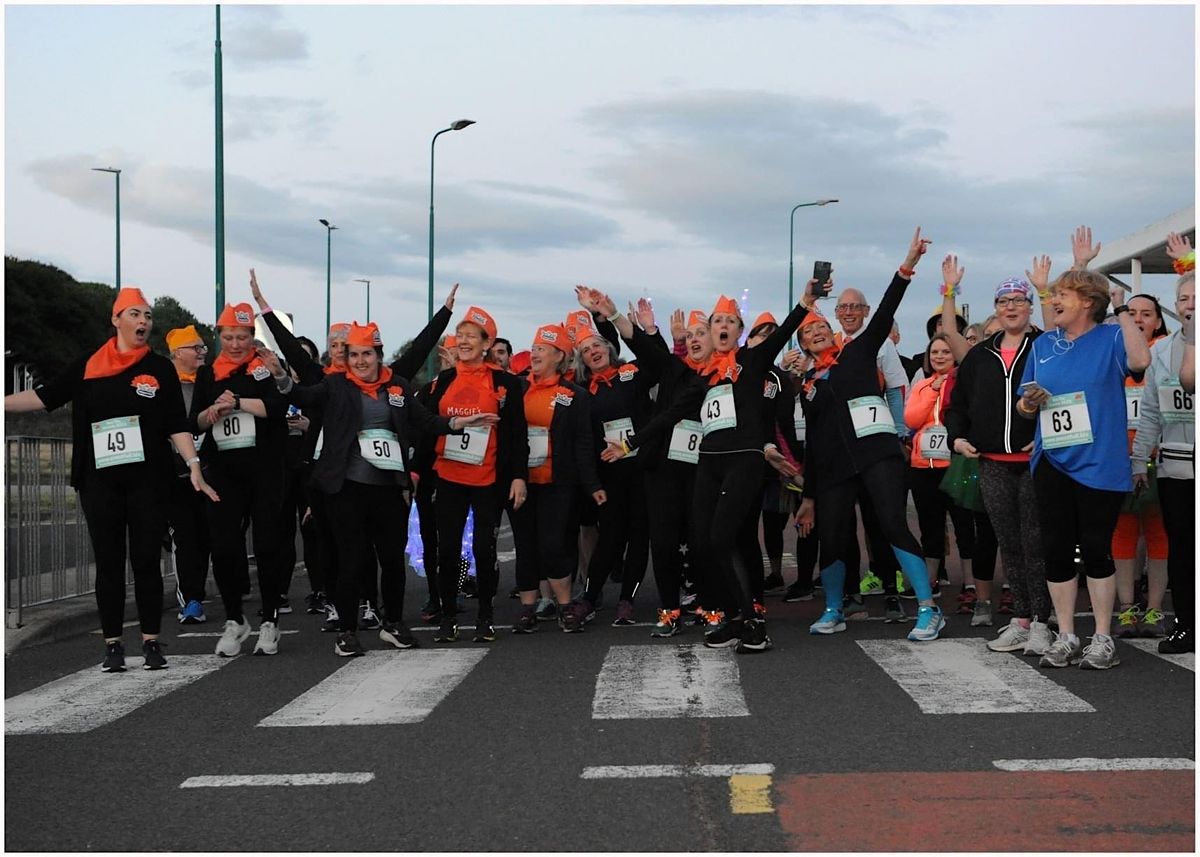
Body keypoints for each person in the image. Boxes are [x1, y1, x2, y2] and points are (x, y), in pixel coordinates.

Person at [5, 288, 217, 671]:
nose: (143, 321)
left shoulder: (159, 368)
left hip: (149, 480)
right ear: (116, 319)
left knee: (146, 559)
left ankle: (151, 641)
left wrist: (194, 465)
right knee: (108, 562)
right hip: (99, 480)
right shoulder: (88, 364)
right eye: (135, 314)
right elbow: (45, 396)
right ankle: (113, 645)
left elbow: (175, 424)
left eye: (148, 315)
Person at [273, 321, 491, 655]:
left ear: (379, 355)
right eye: (354, 355)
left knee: (391, 560)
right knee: (351, 559)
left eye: (367, 354)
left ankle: (393, 623)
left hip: (388, 488)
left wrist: (456, 423)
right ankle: (347, 631)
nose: (360, 361)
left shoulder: (397, 387)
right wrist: (281, 377)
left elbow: (424, 421)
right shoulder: (335, 384)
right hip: (346, 488)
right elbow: (304, 396)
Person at [797, 228, 946, 642]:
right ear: (804, 345)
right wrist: (809, 494)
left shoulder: (860, 350)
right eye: (808, 333)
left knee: (893, 524)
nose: (817, 333)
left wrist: (908, 265)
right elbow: (814, 440)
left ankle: (928, 608)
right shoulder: (807, 384)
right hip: (834, 467)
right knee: (832, 535)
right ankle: (833, 608)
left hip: (877, 455)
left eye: (821, 327)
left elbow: (885, 309)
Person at [1015, 227, 1151, 670]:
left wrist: (1121, 308)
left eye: (1063, 296)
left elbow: (1140, 361)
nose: (1053, 300)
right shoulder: (1043, 344)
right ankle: (1067, 634)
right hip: (1052, 459)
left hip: (1100, 462)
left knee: (1095, 547)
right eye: (1053, 295)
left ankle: (1103, 637)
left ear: (1088, 303)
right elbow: (1023, 404)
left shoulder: (1110, 337)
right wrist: (1028, 403)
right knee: (1056, 549)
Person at [191, 301, 292, 657]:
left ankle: (271, 620)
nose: (235, 344)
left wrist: (237, 403)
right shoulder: (207, 374)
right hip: (223, 470)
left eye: (242, 337)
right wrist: (211, 412)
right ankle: (235, 618)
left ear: (252, 336)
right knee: (223, 546)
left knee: (266, 545)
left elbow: (278, 408)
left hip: (264, 468)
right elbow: (194, 422)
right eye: (229, 337)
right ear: (219, 337)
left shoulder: (263, 367)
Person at [426, 306, 528, 642]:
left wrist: (518, 477)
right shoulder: (443, 380)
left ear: (487, 344)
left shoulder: (505, 383)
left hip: (488, 479)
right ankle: (448, 616)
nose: (464, 341)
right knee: (447, 550)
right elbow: (427, 424)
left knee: (484, 550)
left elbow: (517, 434)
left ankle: (485, 616)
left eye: (472, 336)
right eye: (460, 334)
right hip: (449, 476)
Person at [511, 323, 605, 633]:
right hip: (521, 481)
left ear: (559, 356)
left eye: (542, 349)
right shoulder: (517, 389)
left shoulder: (574, 395)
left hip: (558, 482)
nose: (535, 354)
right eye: (534, 348)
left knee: (554, 543)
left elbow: (583, 442)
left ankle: (565, 605)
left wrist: (592, 484)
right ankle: (528, 608)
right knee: (526, 544)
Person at [570, 291, 655, 626]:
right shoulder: (581, 392)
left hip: (643, 468)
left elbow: (655, 360)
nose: (593, 351)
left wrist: (605, 317)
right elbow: (582, 442)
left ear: (609, 348)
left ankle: (626, 601)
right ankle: (590, 597)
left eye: (597, 345)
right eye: (585, 350)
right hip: (609, 474)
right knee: (610, 538)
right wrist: (592, 484)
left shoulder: (630, 373)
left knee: (639, 536)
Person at [1132, 240, 1194, 653]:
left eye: (1196, 298)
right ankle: (1186, 624)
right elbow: (1151, 411)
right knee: (1183, 550)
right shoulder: (1162, 351)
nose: (1190, 304)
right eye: (1183, 299)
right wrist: (1139, 460)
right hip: (1176, 469)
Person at [830, 285, 907, 617]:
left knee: (881, 520)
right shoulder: (829, 344)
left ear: (866, 311)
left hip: (874, 442)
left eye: (855, 307)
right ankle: (850, 591)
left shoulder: (880, 342)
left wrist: (900, 432)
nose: (848, 312)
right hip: (840, 446)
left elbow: (896, 388)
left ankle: (891, 588)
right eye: (843, 307)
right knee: (843, 523)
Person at [903, 333, 977, 610]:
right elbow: (911, 419)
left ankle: (970, 583)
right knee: (929, 526)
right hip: (923, 466)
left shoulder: (964, 382)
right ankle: (930, 580)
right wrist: (933, 389)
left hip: (956, 464)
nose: (940, 356)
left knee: (964, 525)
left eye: (946, 351)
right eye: (935, 352)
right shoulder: (922, 385)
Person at [1112, 293, 1170, 637]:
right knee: (1123, 534)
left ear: (1158, 322)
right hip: (1120, 461)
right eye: (1131, 312)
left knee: (1159, 533)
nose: (1138, 319)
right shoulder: (1114, 356)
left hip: (1160, 459)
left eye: (1146, 314)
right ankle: (1126, 609)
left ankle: (1154, 610)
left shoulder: (1167, 355)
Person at [165, 325, 214, 625]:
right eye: (195, 348)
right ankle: (191, 599)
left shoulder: (209, 381)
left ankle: (197, 594)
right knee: (184, 537)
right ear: (176, 353)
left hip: (207, 472)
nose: (201, 352)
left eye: (202, 347)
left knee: (205, 536)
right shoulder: (163, 385)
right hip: (173, 474)